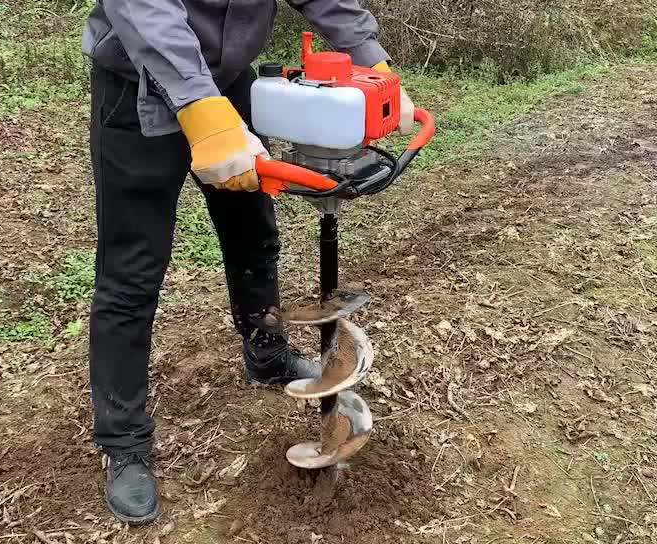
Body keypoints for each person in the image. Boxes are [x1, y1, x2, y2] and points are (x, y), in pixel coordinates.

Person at [80, 0, 415, 524]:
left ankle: (267, 354)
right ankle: (123, 442)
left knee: (253, 234)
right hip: (139, 85)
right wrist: (198, 108)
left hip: (228, 83)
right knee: (132, 271)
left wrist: (369, 57)